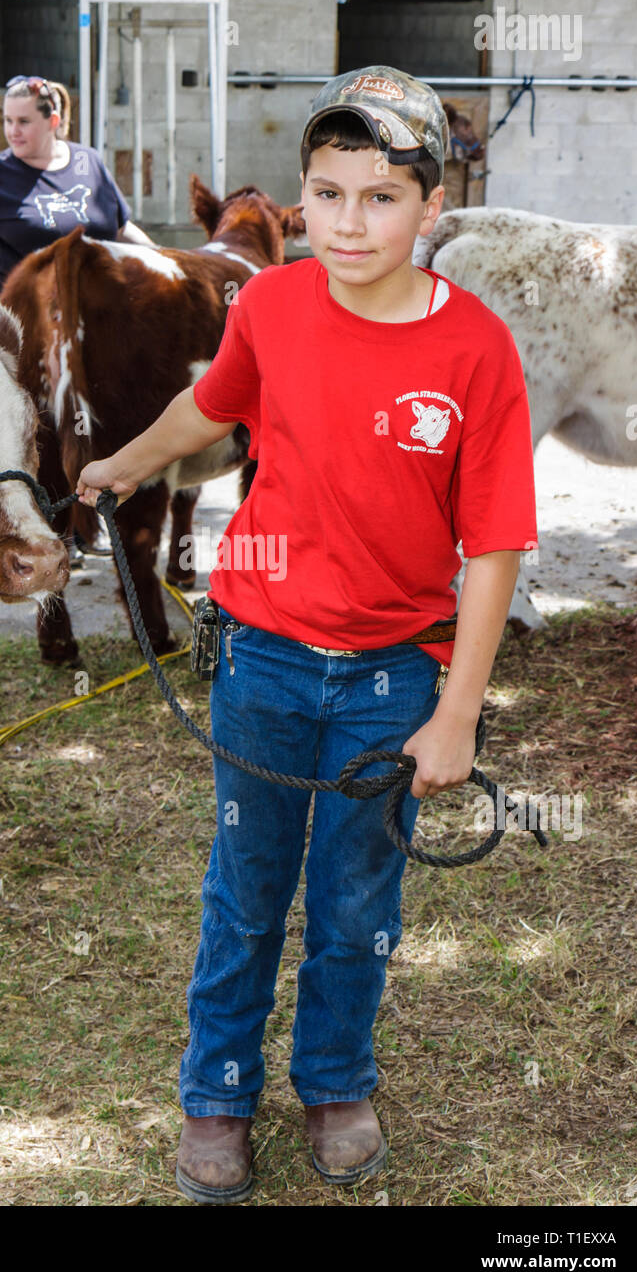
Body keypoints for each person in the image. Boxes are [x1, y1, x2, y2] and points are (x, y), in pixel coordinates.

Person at [76, 65, 538, 1205]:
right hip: (264, 659)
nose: (349, 223)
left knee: (354, 902)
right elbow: (211, 404)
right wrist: (122, 463)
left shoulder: (476, 349)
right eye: (326, 195)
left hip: (393, 679)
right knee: (244, 894)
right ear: (300, 201)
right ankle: (216, 1094)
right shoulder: (270, 306)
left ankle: (334, 1081)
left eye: (381, 198)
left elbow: (493, 548)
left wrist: (457, 713)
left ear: (432, 208)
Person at [0, 75, 155, 302]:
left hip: (94, 310)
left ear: (53, 121)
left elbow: (120, 228)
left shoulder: (87, 160)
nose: (13, 131)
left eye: (23, 122)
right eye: (8, 121)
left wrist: (163, 258)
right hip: (23, 314)